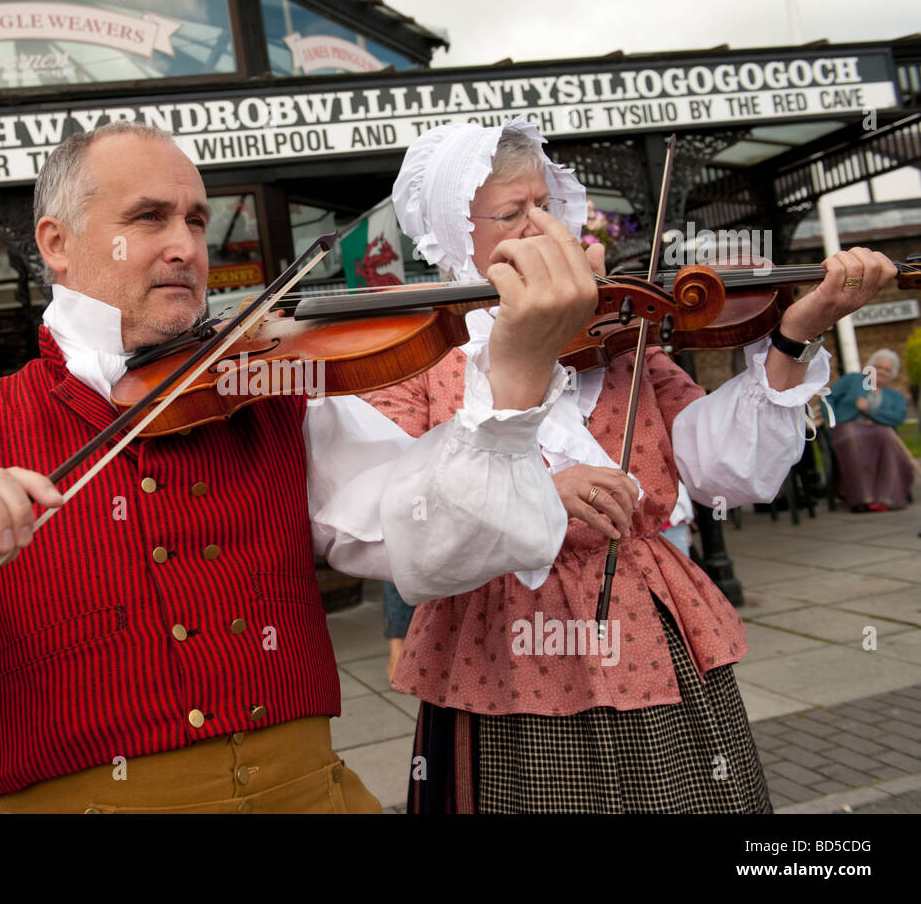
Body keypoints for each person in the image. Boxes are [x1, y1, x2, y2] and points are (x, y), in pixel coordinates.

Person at [0, 121, 597, 814]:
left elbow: (433, 542)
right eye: (148, 217)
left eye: (197, 218)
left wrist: (512, 381)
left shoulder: (275, 392)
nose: (187, 245)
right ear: (57, 243)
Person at [363, 118, 897, 813]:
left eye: (544, 206)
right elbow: (395, 526)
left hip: (649, 635)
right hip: (504, 655)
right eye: (509, 213)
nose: (539, 227)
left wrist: (796, 332)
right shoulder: (422, 357)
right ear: (457, 235)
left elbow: (722, 468)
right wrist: (537, 492)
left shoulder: (620, 338)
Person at [825, 348, 911, 511]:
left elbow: (897, 418)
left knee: (887, 437)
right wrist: (831, 419)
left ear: (892, 374)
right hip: (847, 426)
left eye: (887, 369)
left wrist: (869, 408)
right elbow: (828, 397)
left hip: (878, 430)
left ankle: (886, 498)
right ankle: (862, 499)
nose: (882, 371)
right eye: (878, 367)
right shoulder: (852, 380)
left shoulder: (896, 397)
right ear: (870, 367)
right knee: (854, 437)